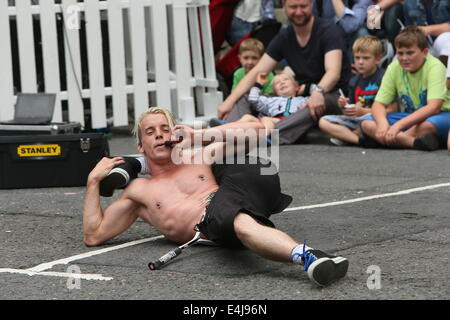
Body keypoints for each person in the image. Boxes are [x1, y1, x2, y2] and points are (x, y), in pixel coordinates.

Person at [85, 107, 349, 287]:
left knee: (238, 217)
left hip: (233, 199)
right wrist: (93, 182)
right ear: (140, 146)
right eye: (151, 132)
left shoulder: (199, 157)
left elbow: (257, 131)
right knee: (240, 223)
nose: (160, 136)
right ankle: (314, 256)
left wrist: (198, 135)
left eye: (165, 129)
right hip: (215, 225)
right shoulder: (138, 192)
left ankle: (306, 256)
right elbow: (94, 235)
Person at [360, 26, 450, 150]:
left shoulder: (435, 67)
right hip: (411, 117)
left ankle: (386, 140)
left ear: (424, 53)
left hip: (442, 115)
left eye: (410, 53)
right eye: (400, 53)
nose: (404, 58)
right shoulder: (394, 67)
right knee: (366, 123)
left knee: (427, 126)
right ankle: (413, 142)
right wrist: (382, 124)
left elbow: (434, 107)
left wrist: (398, 126)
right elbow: (378, 104)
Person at [319, 35, 396, 145]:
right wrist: (344, 106)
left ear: (377, 59)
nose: (360, 62)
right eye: (357, 57)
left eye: (365, 58)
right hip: (357, 120)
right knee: (323, 122)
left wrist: (363, 112)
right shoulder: (354, 81)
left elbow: (392, 110)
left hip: (374, 119)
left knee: (368, 121)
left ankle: (350, 137)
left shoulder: (384, 78)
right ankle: (359, 140)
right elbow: (353, 108)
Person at [237, 72, 310, 134]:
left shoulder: (303, 100)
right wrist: (258, 84)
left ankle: (266, 139)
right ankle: (228, 129)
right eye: (277, 83)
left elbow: (318, 96)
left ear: (297, 87)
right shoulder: (271, 100)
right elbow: (253, 99)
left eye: (286, 79)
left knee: (266, 119)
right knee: (247, 117)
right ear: (275, 92)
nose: (282, 83)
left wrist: (307, 88)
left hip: (290, 122)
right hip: (273, 122)